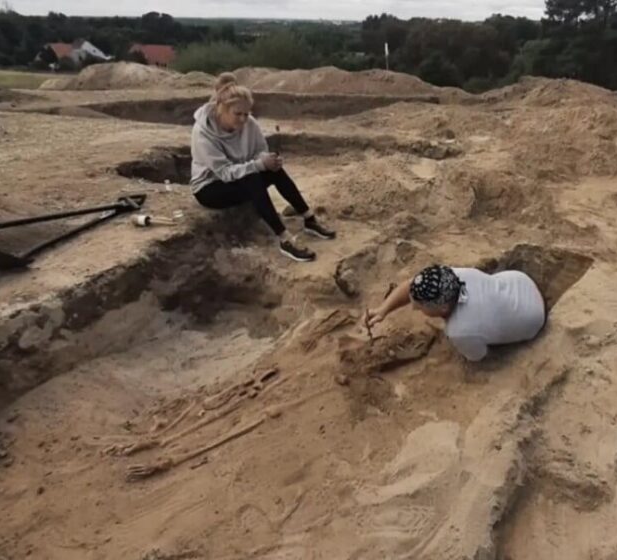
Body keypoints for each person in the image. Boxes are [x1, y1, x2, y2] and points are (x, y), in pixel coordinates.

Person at [190, 73, 335, 262]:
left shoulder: (249, 123)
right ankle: (284, 239)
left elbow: (260, 150)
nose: (243, 119)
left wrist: (267, 160)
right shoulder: (203, 134)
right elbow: (225, 173)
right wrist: (258, 164)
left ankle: (309, 218)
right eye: (238, 114)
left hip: (240, 176)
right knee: (252, 177)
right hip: (211, 187)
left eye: (246, 114)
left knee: (272, 169)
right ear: (221, 109)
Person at [366, 265, 546, 361]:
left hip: (532, 319)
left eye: (421, 307)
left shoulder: (461, 331)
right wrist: (383, 310)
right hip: (521, 283)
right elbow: (411, 284)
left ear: (443, 308)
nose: (414, 308)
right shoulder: (455, 276)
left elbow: (479, 357)